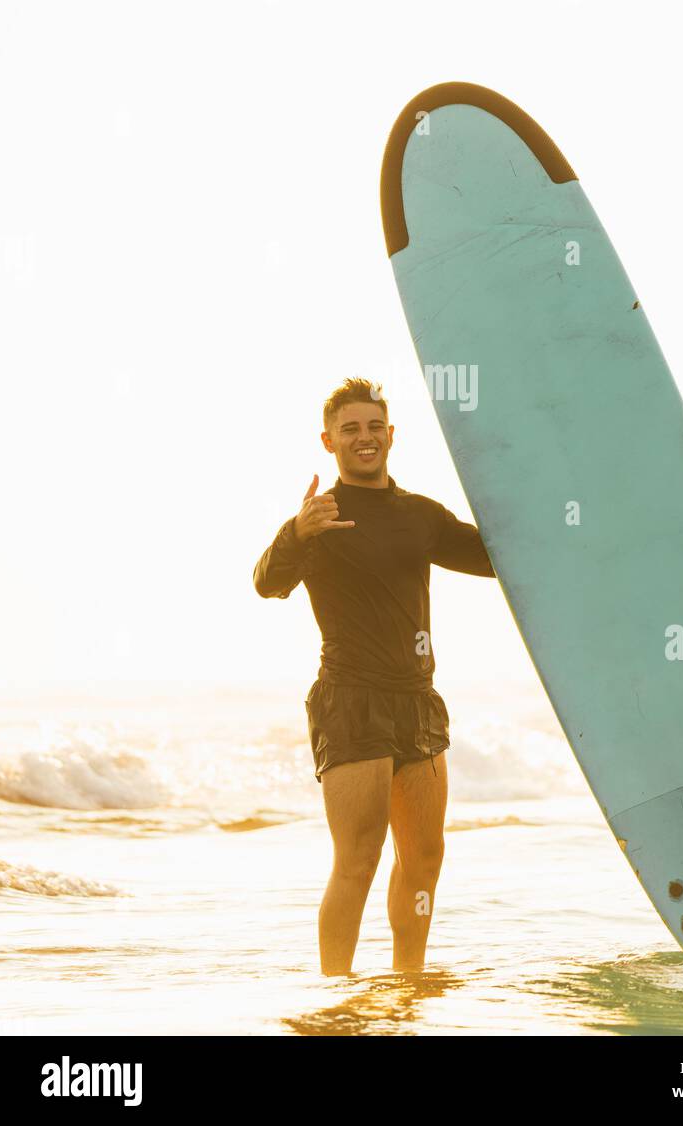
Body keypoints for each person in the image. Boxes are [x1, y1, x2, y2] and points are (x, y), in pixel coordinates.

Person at [253, 376, 495, 975]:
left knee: (424, 858)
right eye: (349, 429)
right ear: (329, 442)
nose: (364, 438)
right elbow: (267, 583)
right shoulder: (321, 520)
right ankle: (335, 991)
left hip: (417, 701)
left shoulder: (420, 515)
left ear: (391, 435)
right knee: (358, 859)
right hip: (350, 699)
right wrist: (294, 531)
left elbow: (497, 559)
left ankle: (406, 983)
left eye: (373, 427)